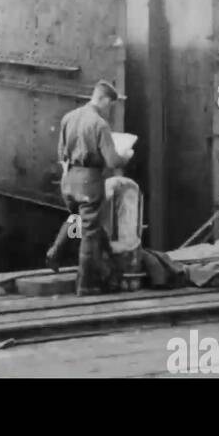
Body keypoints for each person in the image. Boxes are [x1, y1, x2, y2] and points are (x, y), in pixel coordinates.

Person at [45, 80, 134, 295]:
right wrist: (126, 156)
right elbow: (112, 161)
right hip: (89, 181)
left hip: (69, 179)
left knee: (77, 216)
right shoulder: (99, 124)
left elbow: (60, 154)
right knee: (90, 232)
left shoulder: (69, 117)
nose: (108, 109)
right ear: (102, 99)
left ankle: (55, 252)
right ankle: (85, 285)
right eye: (109, 105)